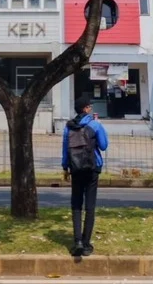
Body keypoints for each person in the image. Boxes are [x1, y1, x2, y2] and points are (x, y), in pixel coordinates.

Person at [62, 96, 109, 256]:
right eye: (89, 106)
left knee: (76, 204)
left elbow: (65, 149)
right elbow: (103, 145)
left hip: (75, 168)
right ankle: (86, 243)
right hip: (92, 168)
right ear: (86, 109)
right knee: (90, 205)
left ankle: (78, 242)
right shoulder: (95, 125)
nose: (91, 108)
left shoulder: (69, 126)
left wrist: (65, 167)